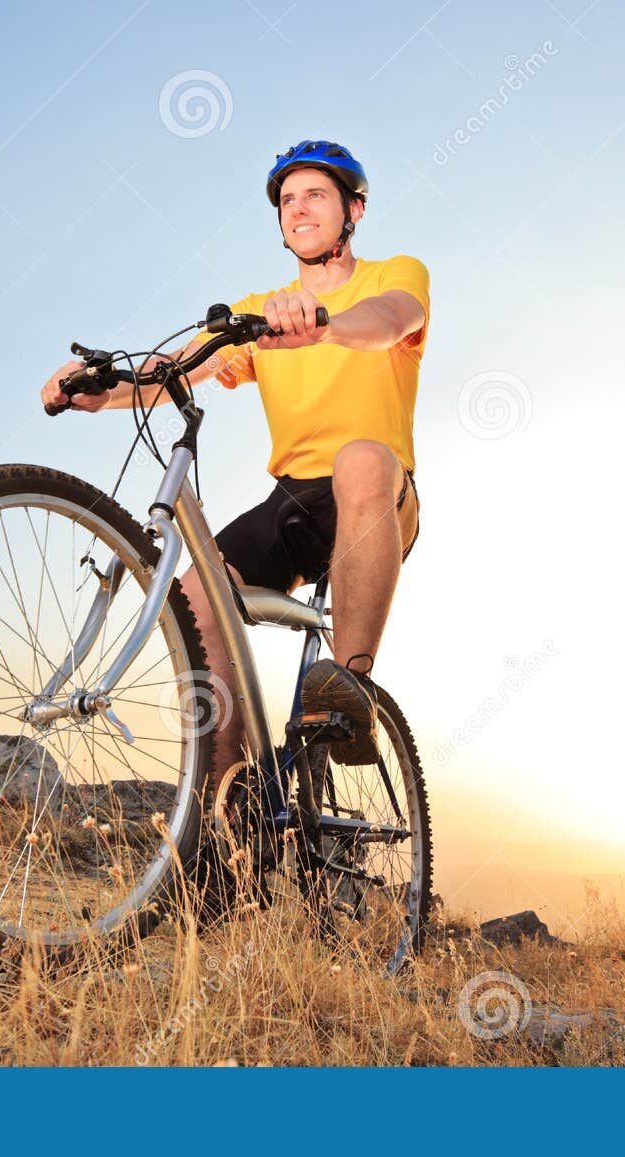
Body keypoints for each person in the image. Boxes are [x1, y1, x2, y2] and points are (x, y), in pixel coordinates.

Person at [41, 139, 430, 775]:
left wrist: (323, 323)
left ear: (352, 210)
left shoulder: (394, 275)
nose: (298, 209)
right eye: (287, 200)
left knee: (361, 456)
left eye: (315, 196)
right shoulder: (259, 315)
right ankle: (238, 803)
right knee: (194, 599)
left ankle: (348, 698)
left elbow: (389, 319)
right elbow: (179, 369)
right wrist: (99, 386)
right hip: (293, 502)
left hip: (381, 492)